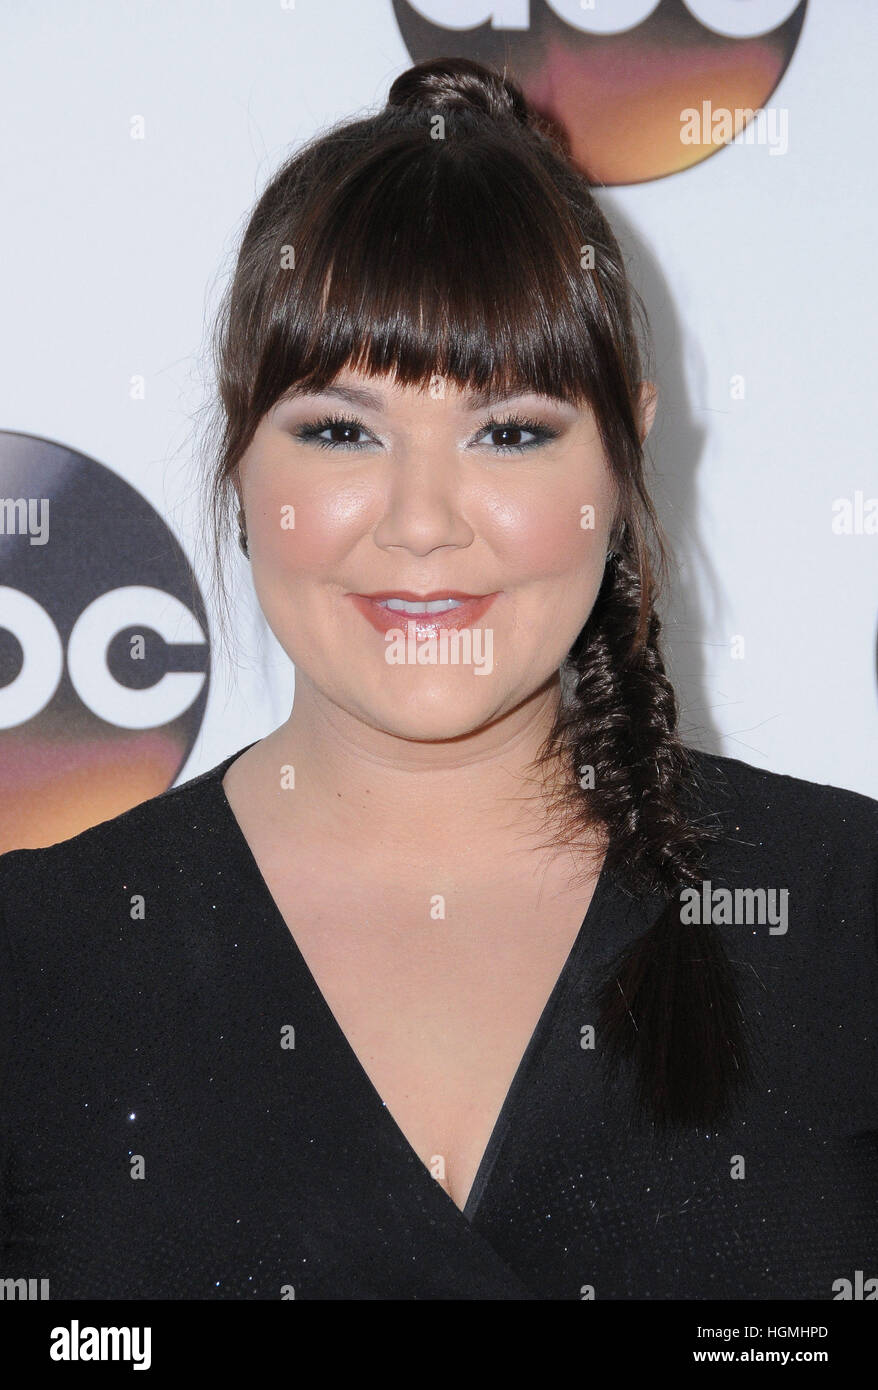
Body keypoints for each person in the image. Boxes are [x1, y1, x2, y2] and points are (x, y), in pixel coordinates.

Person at [0, 56, 875, 1302]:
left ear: (619, 463)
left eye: (508, 431)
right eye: (340, 430)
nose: (420, 522)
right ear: (242, 455)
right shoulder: (36, 965)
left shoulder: (845, 918)